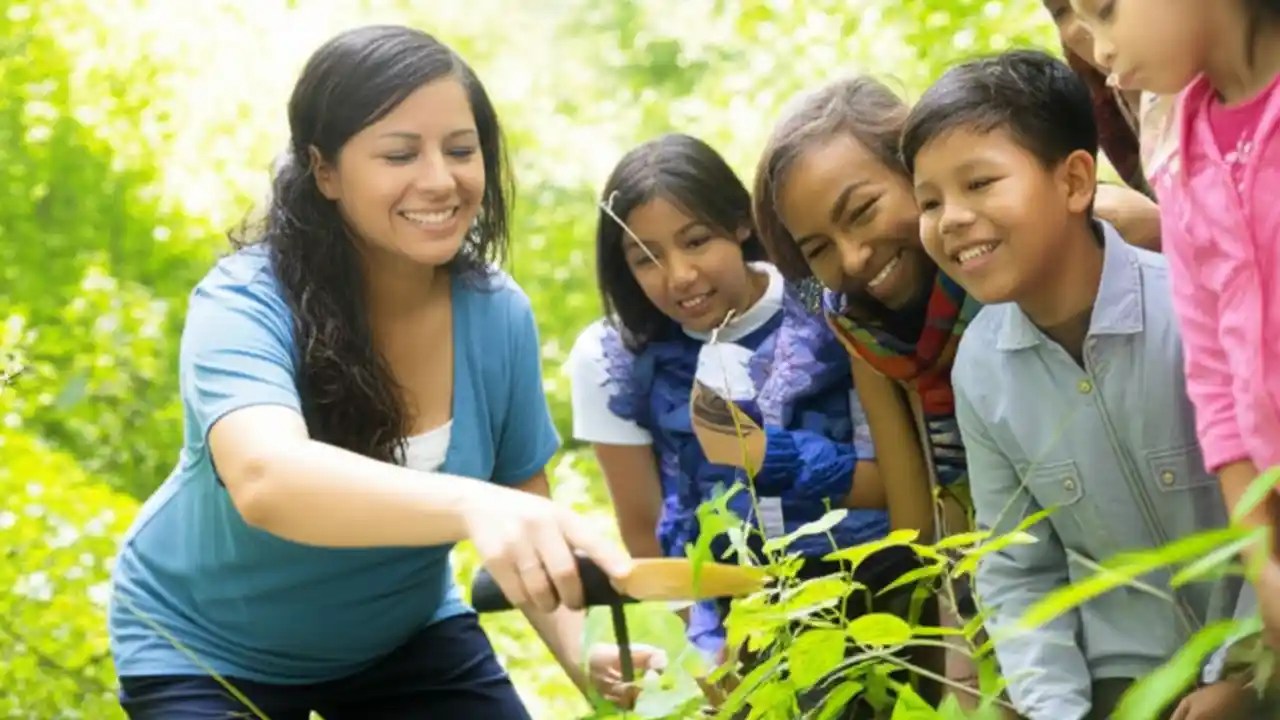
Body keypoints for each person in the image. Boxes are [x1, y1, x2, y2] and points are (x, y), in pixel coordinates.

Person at [106, 25, 634, 719]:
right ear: (325, 170)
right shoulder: (242, 302)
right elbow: (267, 478)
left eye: (460, 149)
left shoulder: (496, 314)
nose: (440, 180)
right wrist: (474, 505)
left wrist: (580, 655)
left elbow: (522, 500)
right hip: (205, 647)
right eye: (399, 153)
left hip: (401, 638)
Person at [903, 48, 1255, 720]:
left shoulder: (1194, 304)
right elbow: (1018, 568)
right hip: (1117, 688)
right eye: (929, 200)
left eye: (979, 184)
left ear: (1073, 182)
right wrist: (1053, 710)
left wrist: (1244, 673)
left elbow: (1269, 502)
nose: (950, 218)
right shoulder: (978, 367)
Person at [568, 133, 934, 717]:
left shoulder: (823, 300)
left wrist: (766, 454)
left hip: (868, 589)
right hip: (738, 622)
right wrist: (705, 638)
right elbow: (643, 526)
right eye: (647, 258)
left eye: (696, 241)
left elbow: (897, 480)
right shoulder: (615, 356)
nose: (680, 275)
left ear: (740, 222)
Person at [1070, 0, 1280, 652]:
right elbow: (1214, 373)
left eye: (1105, 12)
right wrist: (1261, 559)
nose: (1096, 48)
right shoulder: (1179, 156)